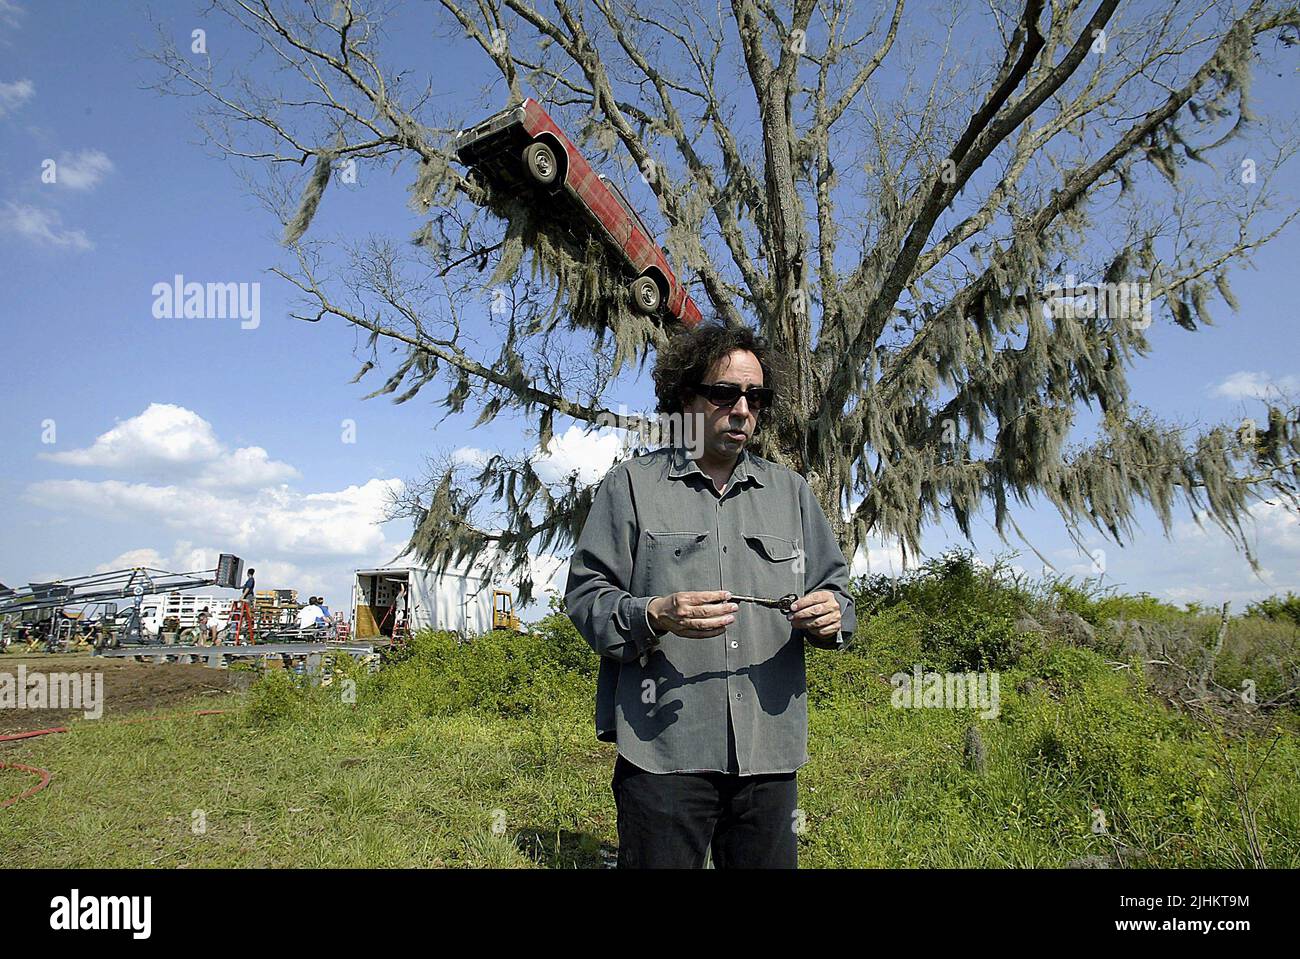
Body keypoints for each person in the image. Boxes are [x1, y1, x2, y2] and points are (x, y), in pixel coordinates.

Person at [565, 322, 856, 869]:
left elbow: (837, 590)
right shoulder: (631, 487)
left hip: (768, 755)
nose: (742, 409)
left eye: (756, 396)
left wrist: (832, 613)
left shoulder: (791, 493)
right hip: (663, 751)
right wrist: (652, 613)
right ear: (685, 397)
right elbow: (585, 597)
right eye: (725, 394)